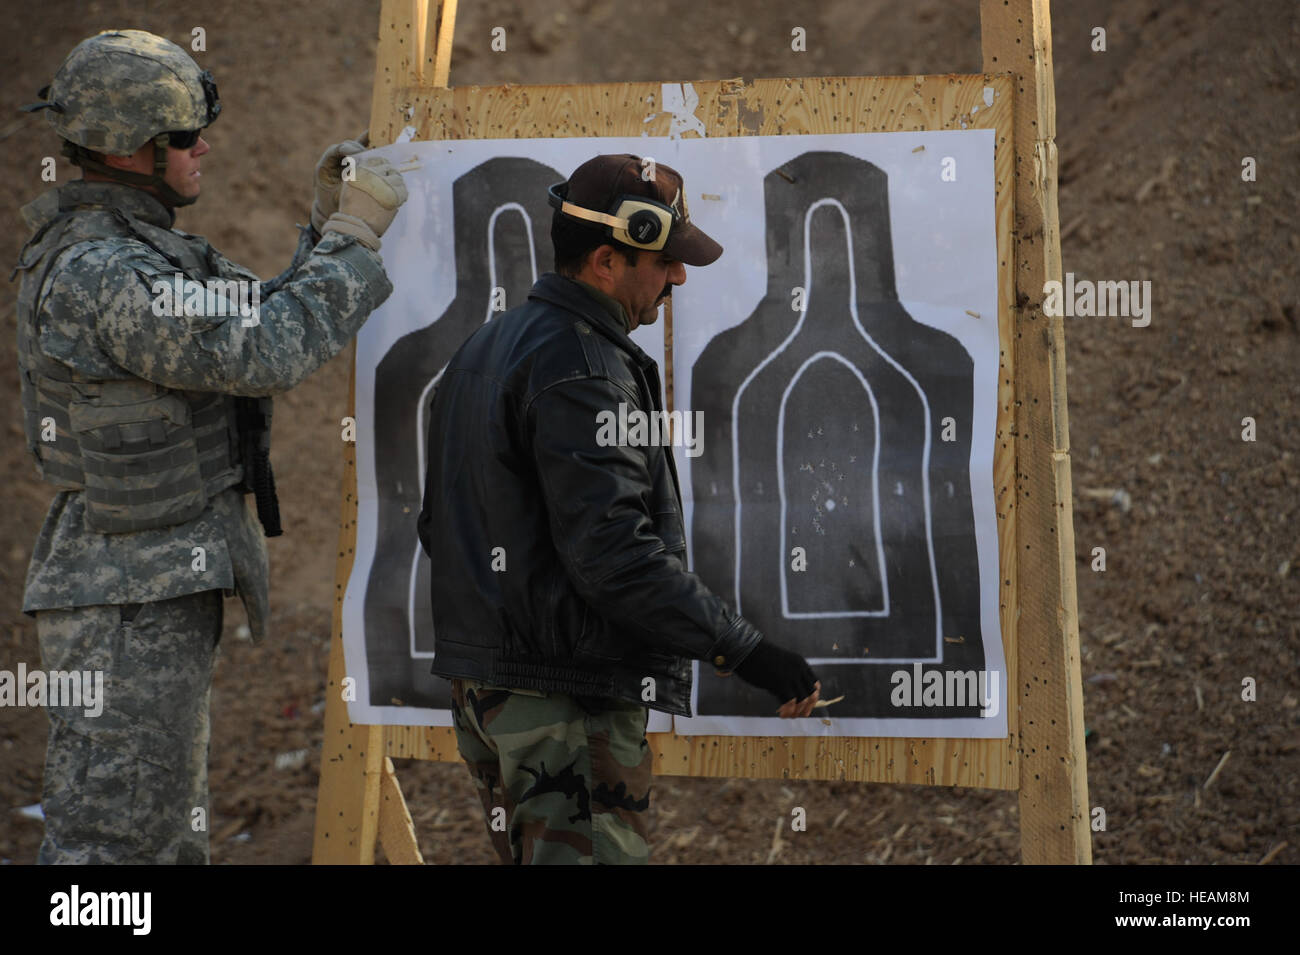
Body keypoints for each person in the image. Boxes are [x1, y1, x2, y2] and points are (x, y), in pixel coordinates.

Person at [14, 29, 408, 864]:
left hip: (146, 582)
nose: (203, 150)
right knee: (113, 844)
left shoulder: (142, 249)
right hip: (125, 595)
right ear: (134, 150)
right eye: (185, 137)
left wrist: (323, 228)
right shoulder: (102, 272)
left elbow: (245, 316)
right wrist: (356, 239)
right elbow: (263, 351)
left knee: (162, 837)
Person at [416, 154, 820, 865]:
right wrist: (746, 649)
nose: (679, 278)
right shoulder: (585, 365)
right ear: (606, 260)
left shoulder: (484, 346)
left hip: (496, 696)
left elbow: (437, 525)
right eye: (664, 261)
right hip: (561, 704)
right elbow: (615, 555)